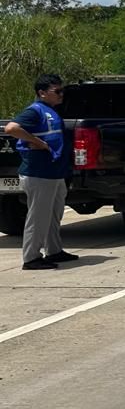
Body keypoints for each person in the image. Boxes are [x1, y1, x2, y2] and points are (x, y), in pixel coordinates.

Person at [4, 73, 74, 270]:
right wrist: (37, 142)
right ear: (42, 93)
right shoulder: (35, 111)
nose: (61, 95)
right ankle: (31, 258)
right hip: (39, 174)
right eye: (57, 91)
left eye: (62, 90)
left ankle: (54, 250)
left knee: (54, 214)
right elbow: (11, 128)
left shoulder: (50, 110)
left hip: (54, 173)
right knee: (38, 217)